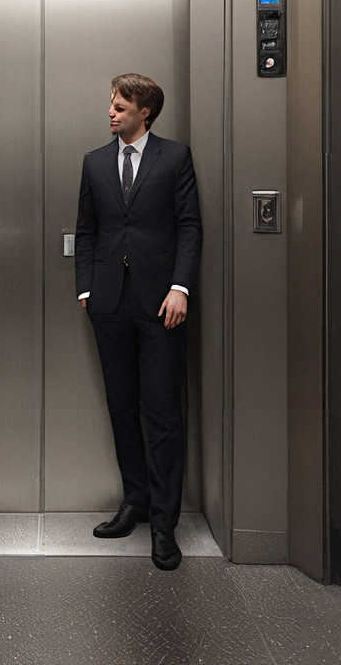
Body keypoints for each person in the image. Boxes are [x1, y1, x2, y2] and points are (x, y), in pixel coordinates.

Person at [75, 74, 202, 571]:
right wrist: (86, 288)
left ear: (145, 111)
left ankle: (165, 525)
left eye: (121, 106)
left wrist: (181, 287)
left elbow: (190, 226)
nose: (112, 112)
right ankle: (136, 502)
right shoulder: (94, 162)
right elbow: (87, 230)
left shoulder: (175, 158)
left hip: (161, 304)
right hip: (108, 303)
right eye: (111, 104)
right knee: (122, 406)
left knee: (162, 412)